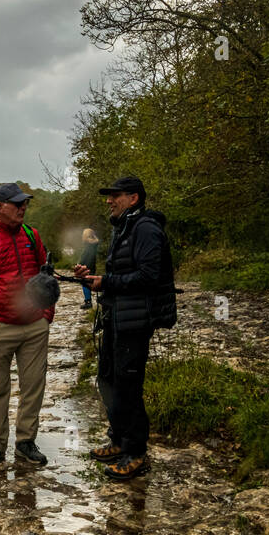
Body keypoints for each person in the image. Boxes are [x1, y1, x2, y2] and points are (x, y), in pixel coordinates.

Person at [73, 175, 177, 480]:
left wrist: (106, 281)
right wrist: (91, 276)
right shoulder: (125, 227)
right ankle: (118, 439)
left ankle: (135, 452)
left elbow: (149, 276)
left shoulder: (145, 228)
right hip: (117, 316)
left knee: (128, 386)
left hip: (136, 321)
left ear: (133, 198)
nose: (108, 200)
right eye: (108, 195)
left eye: (115, 195)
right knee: (108, 379)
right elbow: (124, 272)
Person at [0, 182, 54, 467]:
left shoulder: (32, 235)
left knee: (33, 387)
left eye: (25, 203)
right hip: (1, 327)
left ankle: (25, 442)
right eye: (17, 204)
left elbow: (46, 276)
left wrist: (47, 313)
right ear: (0, 207)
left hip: (34, 326)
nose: (23, 208)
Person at [77, 228, 100, 309]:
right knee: (89, 283)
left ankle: (88, 302)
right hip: (91, 266)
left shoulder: (88, 245)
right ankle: (89, 301)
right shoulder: (94, 244)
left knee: (85, 283)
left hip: (86, 267)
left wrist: (80, 264)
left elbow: (86, 257)